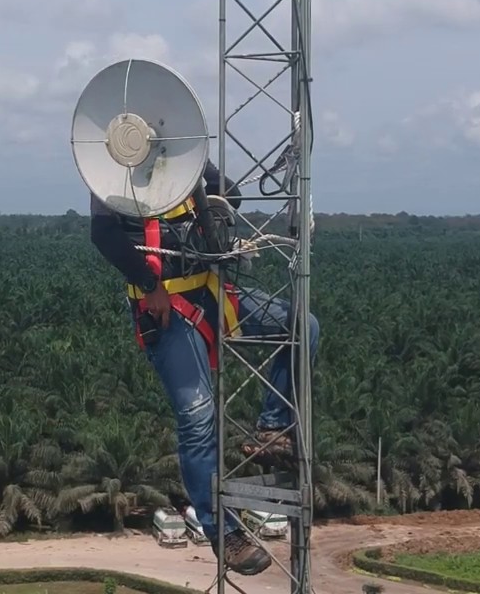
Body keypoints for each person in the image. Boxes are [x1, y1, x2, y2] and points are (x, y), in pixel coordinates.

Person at [88, 159, 319, 576]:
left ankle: (273, 429)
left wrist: (202, 194)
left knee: (303, 327)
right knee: (197, 415)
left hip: (212, 292)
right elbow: (103, 234)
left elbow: (229, 191)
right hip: (164, 305)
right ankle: (222, 533)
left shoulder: (179, 147)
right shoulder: (112, 163)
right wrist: (148, 284)